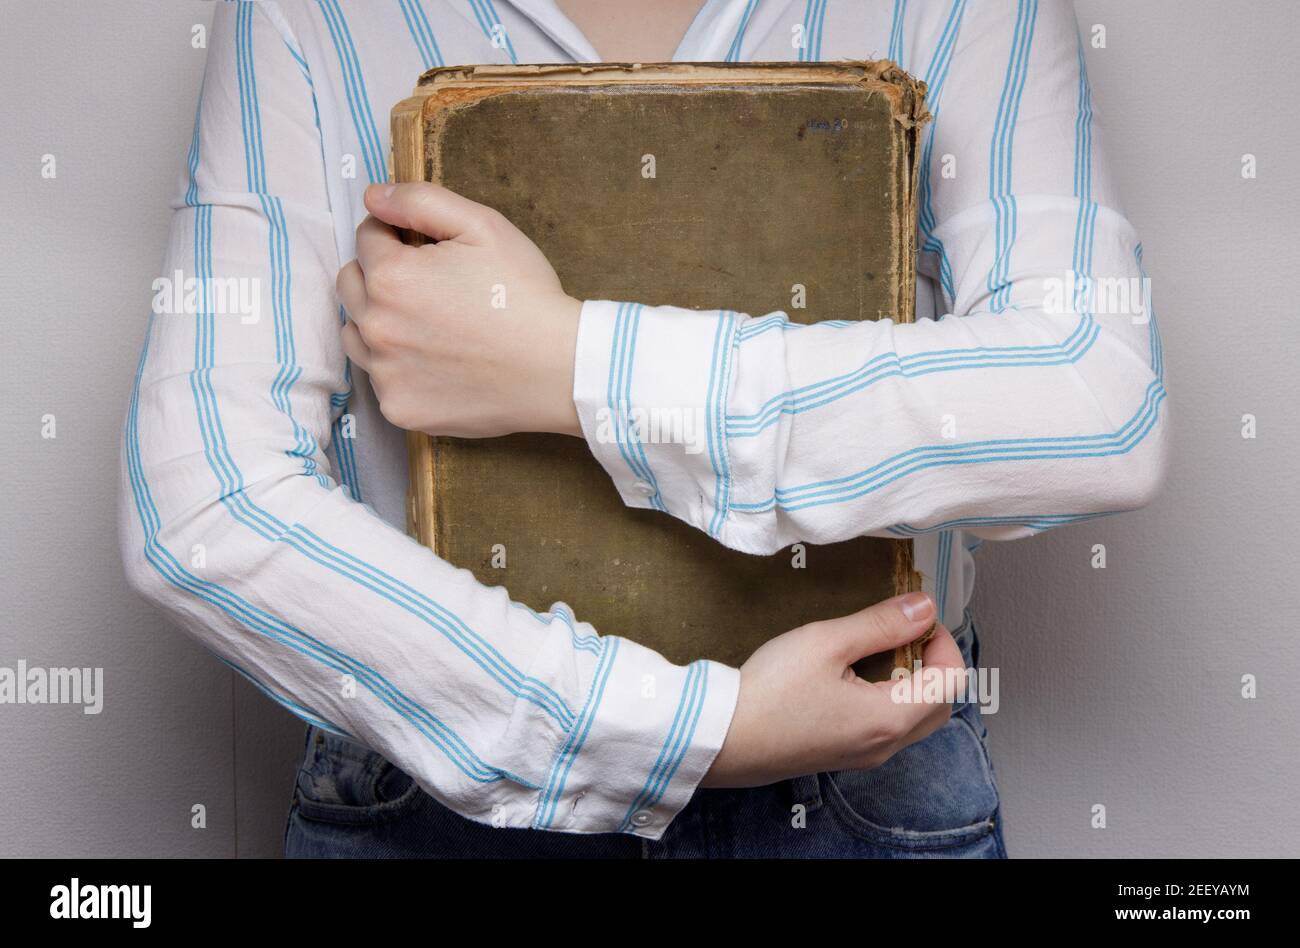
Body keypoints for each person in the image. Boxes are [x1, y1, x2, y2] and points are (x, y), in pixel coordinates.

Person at [120, 0, 1166, 859]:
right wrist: (700, 735)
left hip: (864, 783)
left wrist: (562, 363)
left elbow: (1093, 398)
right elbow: (204, 504)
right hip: (430, 785)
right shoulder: (308, 14)